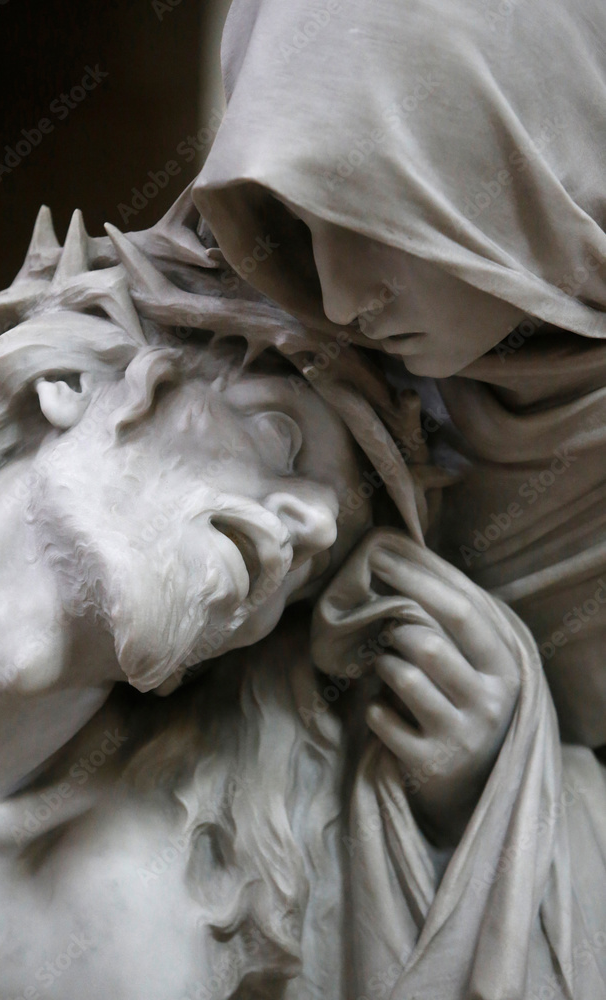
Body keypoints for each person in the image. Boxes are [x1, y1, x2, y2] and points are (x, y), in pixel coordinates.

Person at [189, 0, 606, 747]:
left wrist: (501, 776)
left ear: (524, 178)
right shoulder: (255, 326)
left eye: (376, 225)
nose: (339, 298)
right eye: (304, 227)